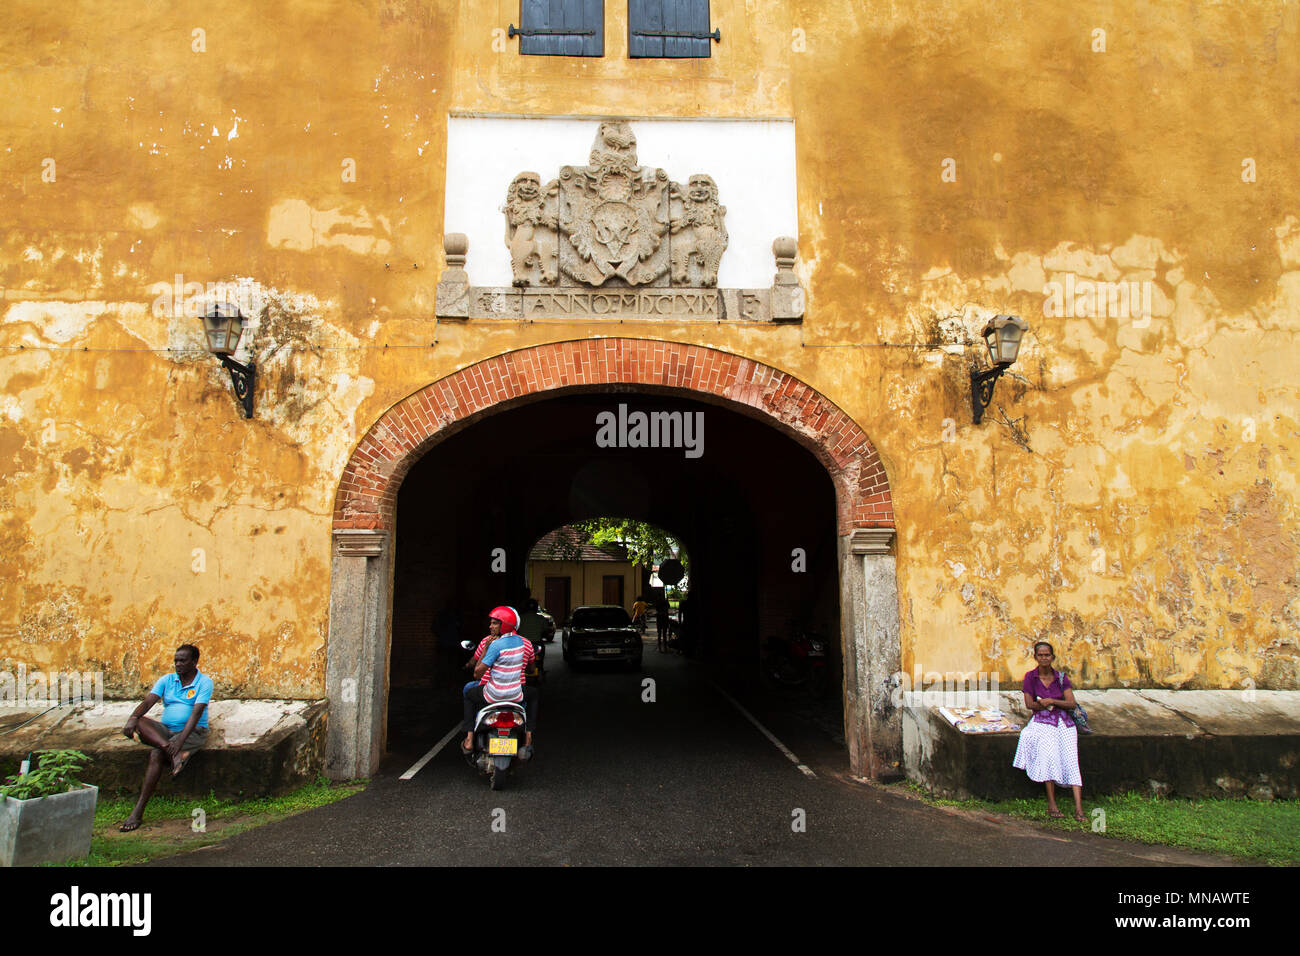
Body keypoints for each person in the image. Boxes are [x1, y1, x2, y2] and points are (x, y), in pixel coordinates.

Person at [118, 644, 213, 832]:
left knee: (155, 755)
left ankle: (137, 812)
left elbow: (195, 715)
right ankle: (172, 753)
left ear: (194, 662)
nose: (178, 664)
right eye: (176, 660)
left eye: (183, 660)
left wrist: (180, 742)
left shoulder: (204, 682)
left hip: (192, 732)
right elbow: (148, 702)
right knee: (139, 721)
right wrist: (132, 718)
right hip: (166, 732)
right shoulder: (167, 680)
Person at [1013, 641, 1084, 822]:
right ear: (1035, 657)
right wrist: (1044, 704)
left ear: (1052, 657)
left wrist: (1051, 700)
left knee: (1071, 759)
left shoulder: (1061, 678)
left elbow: (1071, 703)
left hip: (1064, 723)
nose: (1044, 658)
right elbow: (1030, 704)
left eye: (1047, 655)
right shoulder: (1031, 677)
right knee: (1049, 756)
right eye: (1041, 655)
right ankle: (1052, 804)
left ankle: (1078, 808)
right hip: (1042, 722)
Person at [461, 606, 537, 758]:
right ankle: (528, 739)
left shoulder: (491, 644)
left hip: (493, 694)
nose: (491, 626)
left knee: (468, 692)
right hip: (516, 694)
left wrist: (486, 649)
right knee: (533, 694)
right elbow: (531, 668)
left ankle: (469, 738)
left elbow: (477, 674)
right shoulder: (524, 643)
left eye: (495, 623)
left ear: (505, 624)